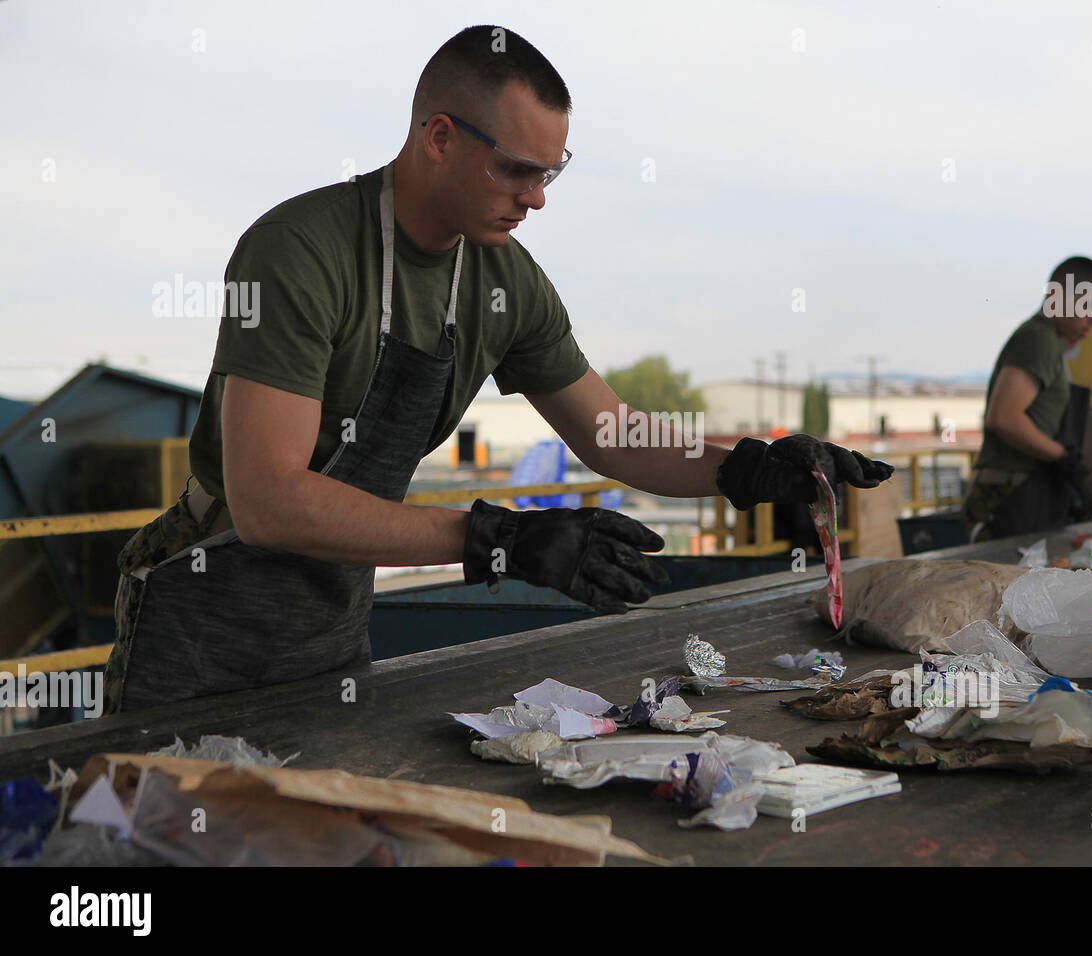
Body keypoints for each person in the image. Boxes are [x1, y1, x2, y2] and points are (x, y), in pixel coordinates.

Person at [105, 25, 892, 713]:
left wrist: (746, 467)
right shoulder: (300, 252)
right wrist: (498, 538)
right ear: (438, 137)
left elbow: (614, 433)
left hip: (331, 629)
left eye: (551, 173)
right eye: (518, 169)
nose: (537, 199)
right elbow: (270, 503)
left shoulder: (503, 281)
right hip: (204, 621)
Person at [962, 256, 1092, 541]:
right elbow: (1003, 417)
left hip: (1029, 491)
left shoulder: (1051, 343)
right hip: (1011, 493)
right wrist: (1062, 457)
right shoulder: (1038, 339)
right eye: (1088, 305)